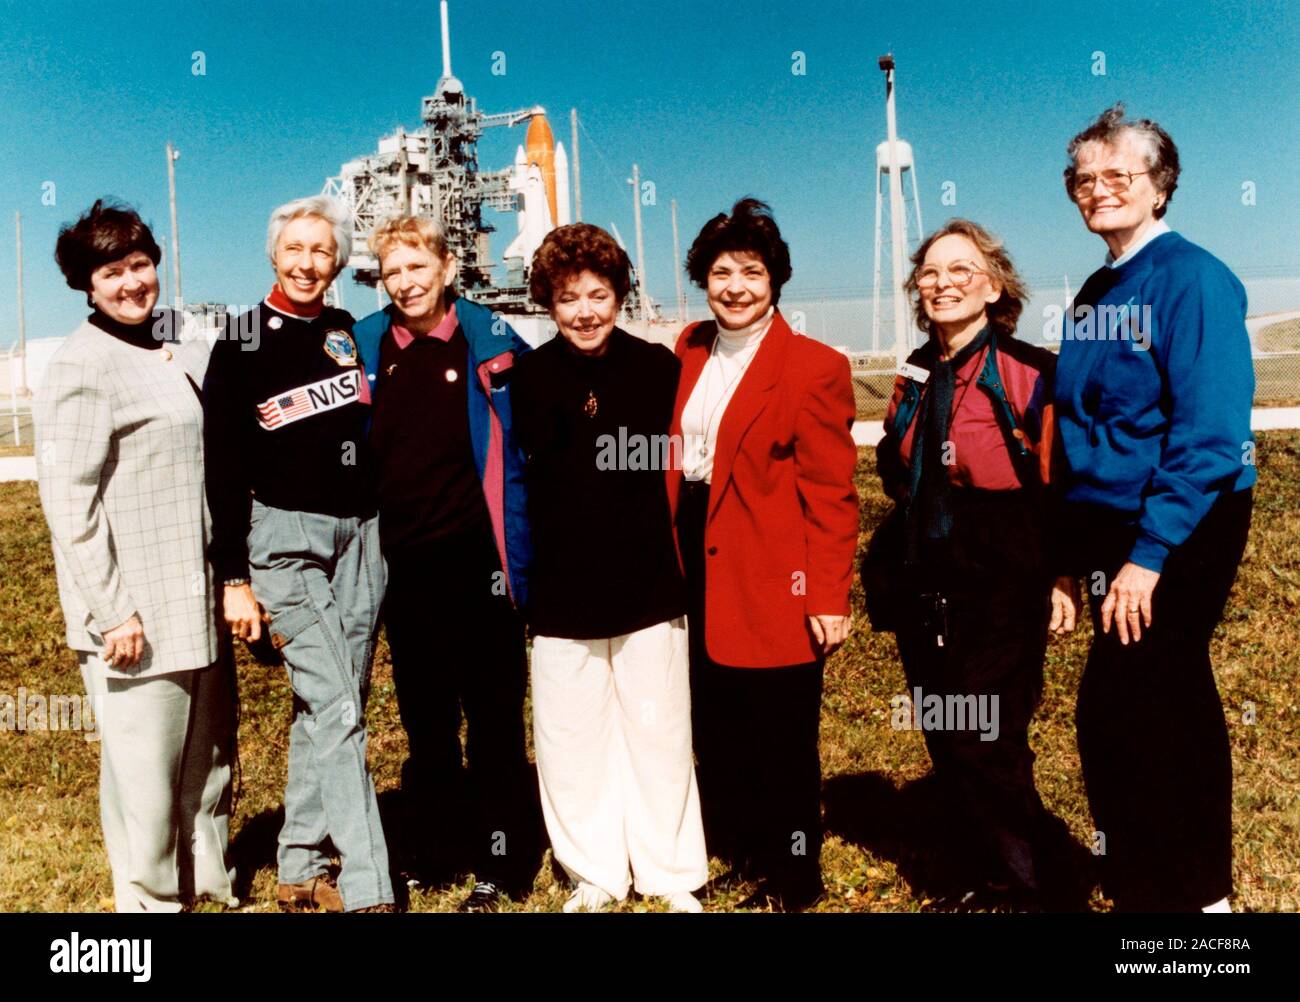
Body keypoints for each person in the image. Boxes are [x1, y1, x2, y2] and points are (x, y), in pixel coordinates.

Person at [1053, 104, 1255, 912]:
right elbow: (1075, 432)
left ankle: (1201, 901)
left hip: (1183, 520)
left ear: (1159, 186)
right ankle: (1141, 879)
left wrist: (1150, 554)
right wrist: (1069, 558)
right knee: (1110, 714)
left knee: (1162, 699)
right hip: (1108, 525)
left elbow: (1210, 435)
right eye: (1083, 179)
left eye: (1117, 176)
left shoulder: (1194, 278)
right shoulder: (1098, 289)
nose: (1097, 190)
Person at [35, 199, 235, 912]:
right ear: (86, 284)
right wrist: (112, 610)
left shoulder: (168, 340)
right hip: (133, 612)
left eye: (141, 265)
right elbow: (68, 499)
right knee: (144, 777)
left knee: (205, 766)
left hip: (194, 596)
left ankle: (204, 886)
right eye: (113, 271)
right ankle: (149, 905)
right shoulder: (83, 364)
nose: (132, 283)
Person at [510, 223, 709, 913]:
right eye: (569, 298)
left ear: (620, 295)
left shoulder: (658, 370)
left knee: (658, 731)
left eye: (599, 294)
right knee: (570, 737)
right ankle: (593, 869)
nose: (586, 311)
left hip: (648, 584)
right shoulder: (526, 380)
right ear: (549, 303)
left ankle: (671, 870)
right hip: (561, 592)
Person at [203, 195, 394, 913]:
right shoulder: (242, 337)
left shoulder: (346, 331)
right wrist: (233, 578)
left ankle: (297, 866)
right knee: (338, 705)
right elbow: (221, 467)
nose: (308, 262)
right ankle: (372, 885)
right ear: (274, 253)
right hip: (284, 541)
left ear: (339, 261)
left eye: (322, 251)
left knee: (332, 702)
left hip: (361, 538)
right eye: (296, 249)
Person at [667, 198, 858, 911]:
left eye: (751, 272)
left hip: (775, 565)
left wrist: (828, 595)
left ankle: (794, 875)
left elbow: (833, 491)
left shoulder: (813, 366)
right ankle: (740, 848)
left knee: (781, 733)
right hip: (694, 551)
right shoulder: (688, 348)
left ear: (775, 279)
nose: (736, 287)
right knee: (713, 722)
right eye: (721, 272)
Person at [873, 218, 1066, 910]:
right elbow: (894, 468)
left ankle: (1028, 882)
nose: (943, 283)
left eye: (961, 270)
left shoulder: (1029, 371)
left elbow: (1058, 481)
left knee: (985, 730)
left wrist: (1064, 577)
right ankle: (974, 868)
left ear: (993, 285)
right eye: (929, 272)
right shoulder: (915, 371)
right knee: (944, 727)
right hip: (925, 571)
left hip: (1003, 574)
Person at [352, 215, 540, 912]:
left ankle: (503, 860)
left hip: (482, 564)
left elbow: (533, 448)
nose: (405, 282)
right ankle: (438, 847)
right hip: (405, 566)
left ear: (447, 266)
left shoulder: (492, 337)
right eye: (391, 271)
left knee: (493, 717)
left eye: (416, 266)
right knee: (426, 718)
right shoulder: (367, 345)